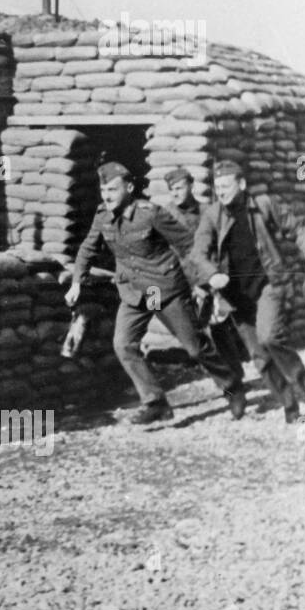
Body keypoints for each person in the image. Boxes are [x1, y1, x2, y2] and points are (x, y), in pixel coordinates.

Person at [67, 162, 244, 424]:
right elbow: (87, 249)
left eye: (112, 189)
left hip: (164, 288)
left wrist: (204, 279)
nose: (106, 195)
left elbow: (188, 246)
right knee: (124, 345)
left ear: (128, 188)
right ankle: (155, 402)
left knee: (195, 348)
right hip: (134, 291)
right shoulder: (102, 215)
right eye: (103, 189)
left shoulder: (151, 213)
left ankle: (232, 386)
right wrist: (76, 282)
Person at [190, 160, 305, 424]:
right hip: (235, 295)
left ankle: (302, 378)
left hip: (267, 284)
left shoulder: (263, 204)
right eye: (217, 187)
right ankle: (289, 404)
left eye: (226, 186)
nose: (221, 192)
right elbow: (198, 253)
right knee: (259, 357)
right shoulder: (212, 215)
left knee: (269, 337)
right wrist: (212, 273)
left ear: (241, 184)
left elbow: (296, 228)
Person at [161, 167, 251, 377]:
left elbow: (220, 246)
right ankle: (224, 377)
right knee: (194, 334)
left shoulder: (207, 211)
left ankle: (233, 379)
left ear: (191, 186)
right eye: (171, 189)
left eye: (179, 188)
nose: (175, 193)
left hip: (206, 279)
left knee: (218, 329)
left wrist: (210, 281)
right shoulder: (165, 214)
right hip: (180, 280)